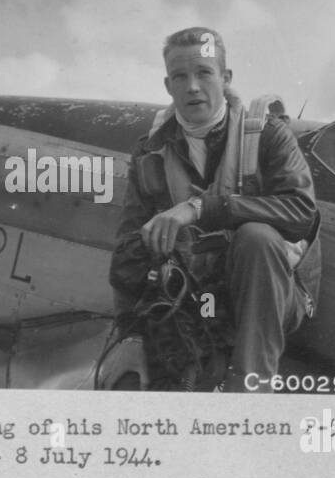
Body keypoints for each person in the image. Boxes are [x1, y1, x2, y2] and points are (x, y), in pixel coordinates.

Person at [108, 26, 320, 392]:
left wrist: (201, 208)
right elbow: (127, 252)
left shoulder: (268, 135)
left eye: (204, 73)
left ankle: (251, 389)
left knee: (257, 238)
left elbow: (302, 212)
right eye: (180, 76)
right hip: (197, 298)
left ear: (225, 78)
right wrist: (129, 337)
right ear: (167, 85)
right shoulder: (150, 153)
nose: (192, 86)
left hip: (275, 292)